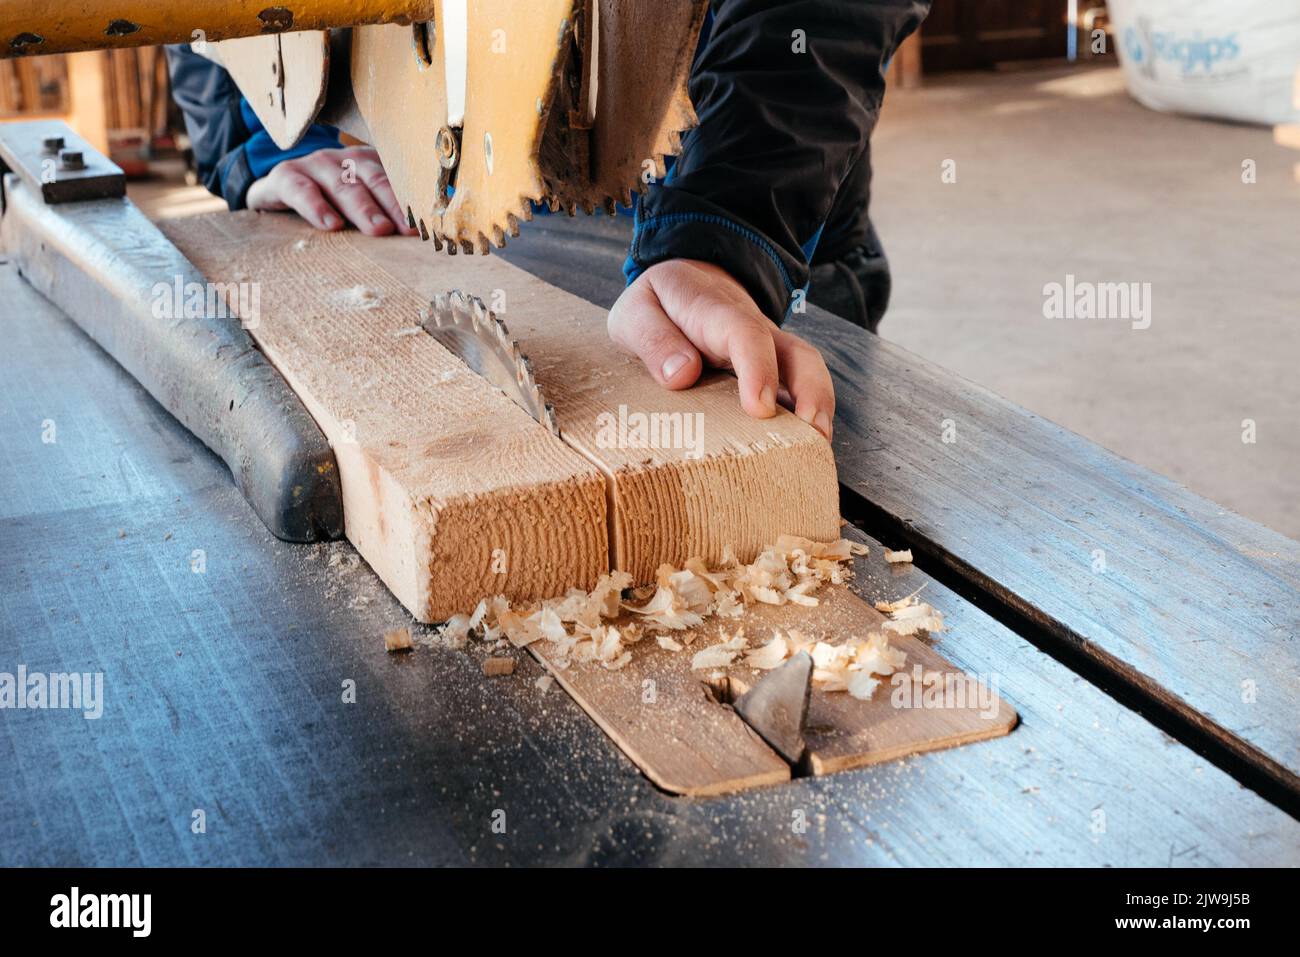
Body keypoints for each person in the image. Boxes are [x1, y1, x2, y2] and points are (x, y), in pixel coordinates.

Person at [166, 1, 928, 442]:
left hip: (757, 201)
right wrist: (270, 139)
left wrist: (724, 235)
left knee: (766, 475)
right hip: (478, 195)